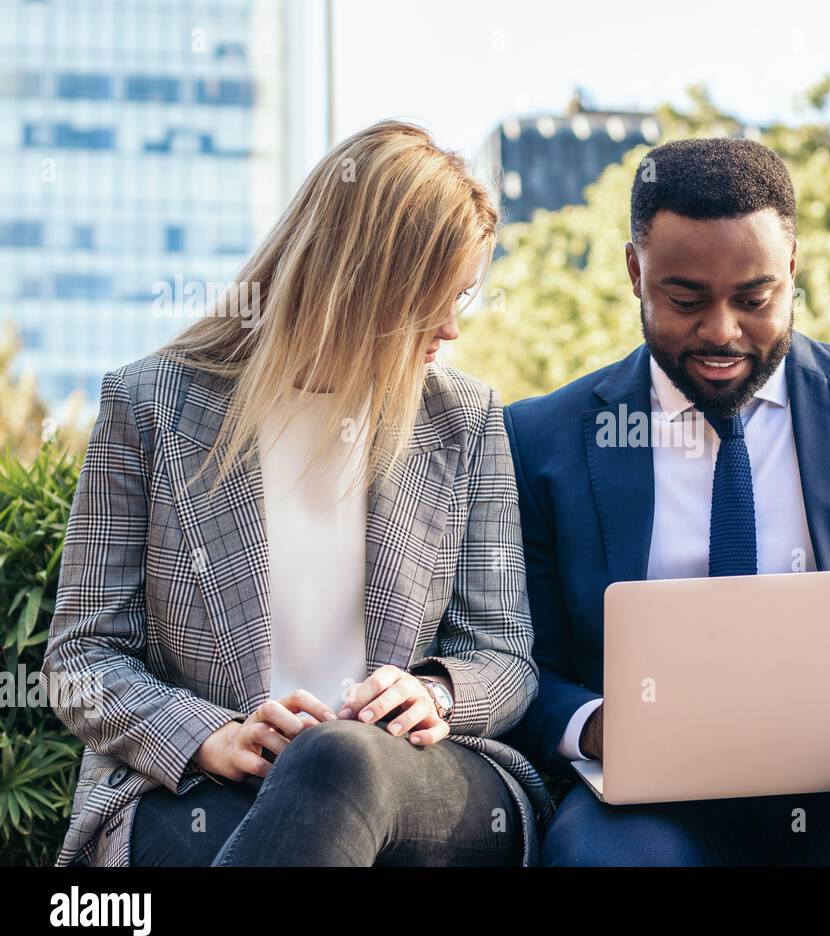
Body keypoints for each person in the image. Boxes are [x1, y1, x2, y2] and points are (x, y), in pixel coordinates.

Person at [503, 137, 830, 865]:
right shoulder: (542, 438)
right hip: (647, 804)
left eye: (755, 299)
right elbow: (513, 656)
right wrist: (594, 725)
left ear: (793, 268)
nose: (722, 331)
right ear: (635, 272)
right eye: (686, 299)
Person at [42, 120, 552, 867]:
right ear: (357, 280)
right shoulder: (149, 406)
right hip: (203, 782)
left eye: (464, 294)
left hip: (421, 783)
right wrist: (210, 737)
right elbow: (82, 656)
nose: (450, 326)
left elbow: (504, 652)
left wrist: (438, 693)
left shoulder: (463, 419)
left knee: (339, 758)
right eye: (431, 298)